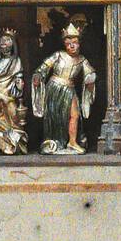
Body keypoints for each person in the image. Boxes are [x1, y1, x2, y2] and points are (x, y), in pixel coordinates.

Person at [32, 22, 96, 154]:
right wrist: (38, 76)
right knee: (54, 115)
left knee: (75, 115)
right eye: (68, 43)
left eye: (75, 42)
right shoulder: (58, 55)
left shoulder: (82, 60)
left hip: (69, 88)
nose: (72, 46)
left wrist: (90, 79)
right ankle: (52, 141)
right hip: (54, 89)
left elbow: (90, 72)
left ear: (79, 43)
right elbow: (43, 68)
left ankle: (72, 142)